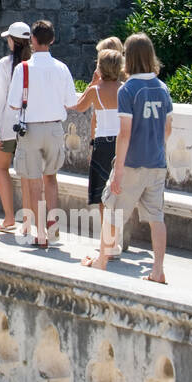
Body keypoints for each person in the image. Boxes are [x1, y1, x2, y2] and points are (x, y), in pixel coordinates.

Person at [84, 33, 172, 284]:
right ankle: (157, 270)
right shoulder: (162, 88)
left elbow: (124, 134)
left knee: (111, 210)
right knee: (157, 218)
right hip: (157, 162)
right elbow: (167, 129)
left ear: (128, 58)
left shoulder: (129, 89)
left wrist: (119, 170)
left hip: (132, 162)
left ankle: (102, 260)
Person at [7, 19, 78, 248]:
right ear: (53, 40)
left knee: (33, 180)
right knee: (51, 178)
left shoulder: (23, 68)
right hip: (55, 127)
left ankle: (40, 234)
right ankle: (53, 228)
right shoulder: (62, 68)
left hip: (31, 129)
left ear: (33, 40)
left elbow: (13, 105)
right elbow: (70, 102)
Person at [72, 46, 125, 250]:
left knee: (103, 195)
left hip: (103, 144)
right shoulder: (126, 88)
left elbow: (79, 106)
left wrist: (92, 83)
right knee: (119, 193)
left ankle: (107, 240)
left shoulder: (95, 91)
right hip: (122, 143)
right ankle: (117, 237)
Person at [0, 21, 32, 232]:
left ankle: (8, 218)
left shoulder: (5, 65)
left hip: (8, 124)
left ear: (13, 41)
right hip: (31, 124)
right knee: (27, 172)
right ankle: (27, 221)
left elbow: (1, 99)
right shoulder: (33, 64)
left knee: (1, 168)